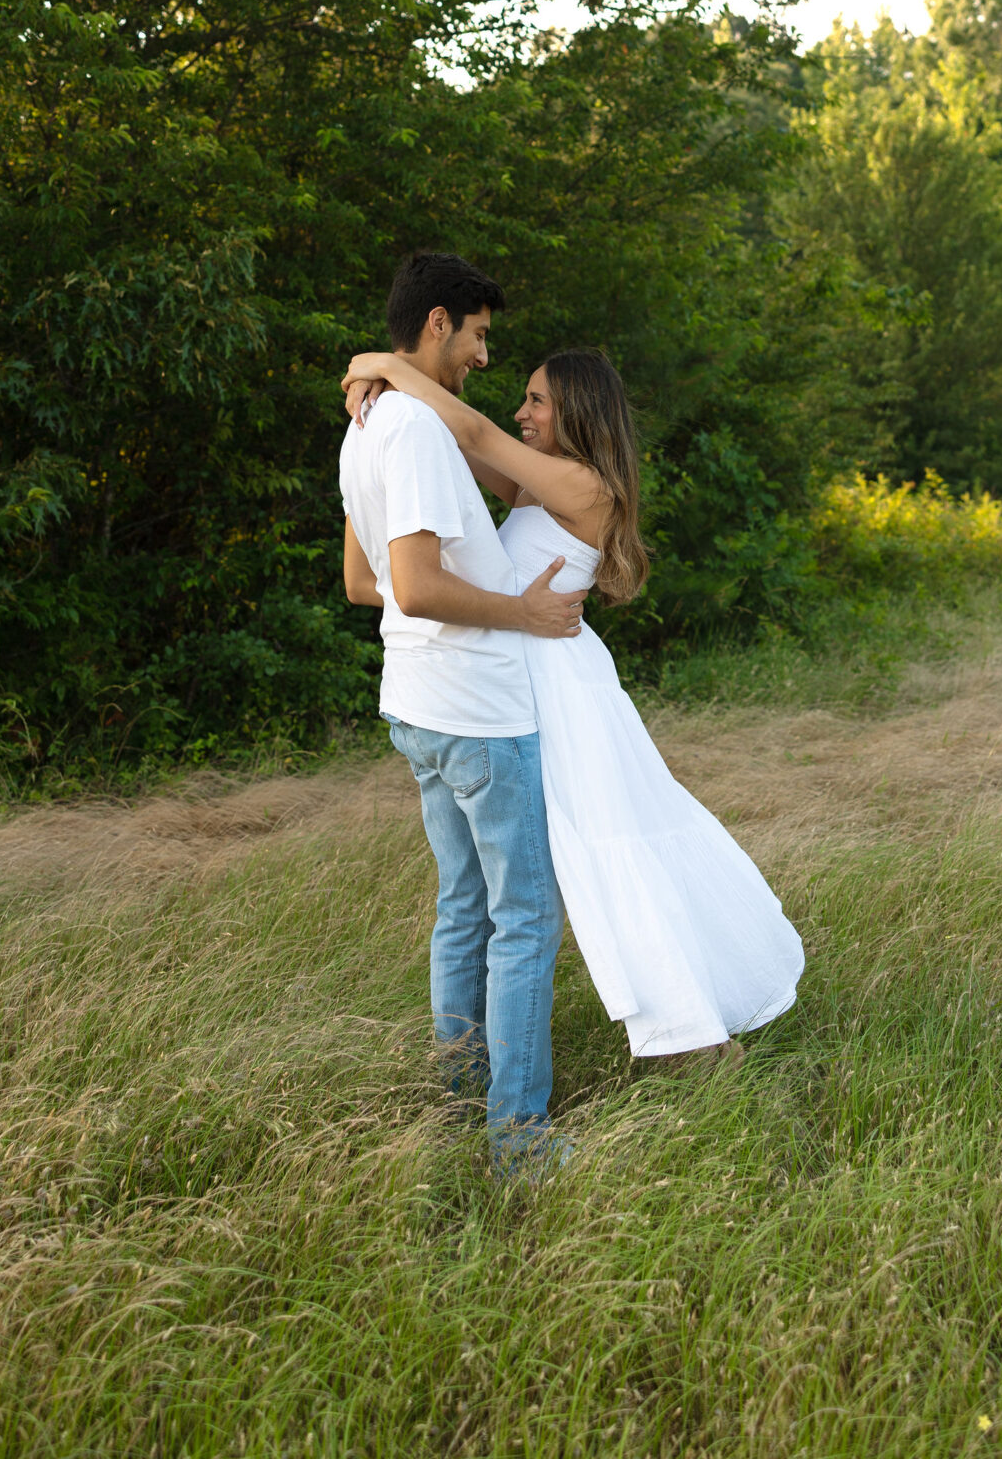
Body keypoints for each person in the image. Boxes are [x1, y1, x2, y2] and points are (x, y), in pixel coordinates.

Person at [343, 340, 805, 1062]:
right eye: (523, 399)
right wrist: (383, 398)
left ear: (576, 413)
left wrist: (385, 363)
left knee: (605, 853)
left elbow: (471, 434)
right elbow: (439, 448)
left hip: (562, 686)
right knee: (550, 870)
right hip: (521, 680)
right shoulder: (539, 486)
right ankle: (650, 1031)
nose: (520, 412)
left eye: (536, 401)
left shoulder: (585, 486)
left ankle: (692, 1034)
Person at [339, 252, 587, 1172]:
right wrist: (519, 611)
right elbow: (411, 581)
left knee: (463, 909)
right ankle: (517, 1140)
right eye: (481, 335)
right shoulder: (414, 432)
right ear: (438, 323)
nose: (485, 355)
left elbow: (365, 585)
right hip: (477, 712)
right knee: (523, 918)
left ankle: (450, 1108)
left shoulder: (364, 427)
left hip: (415, 702)